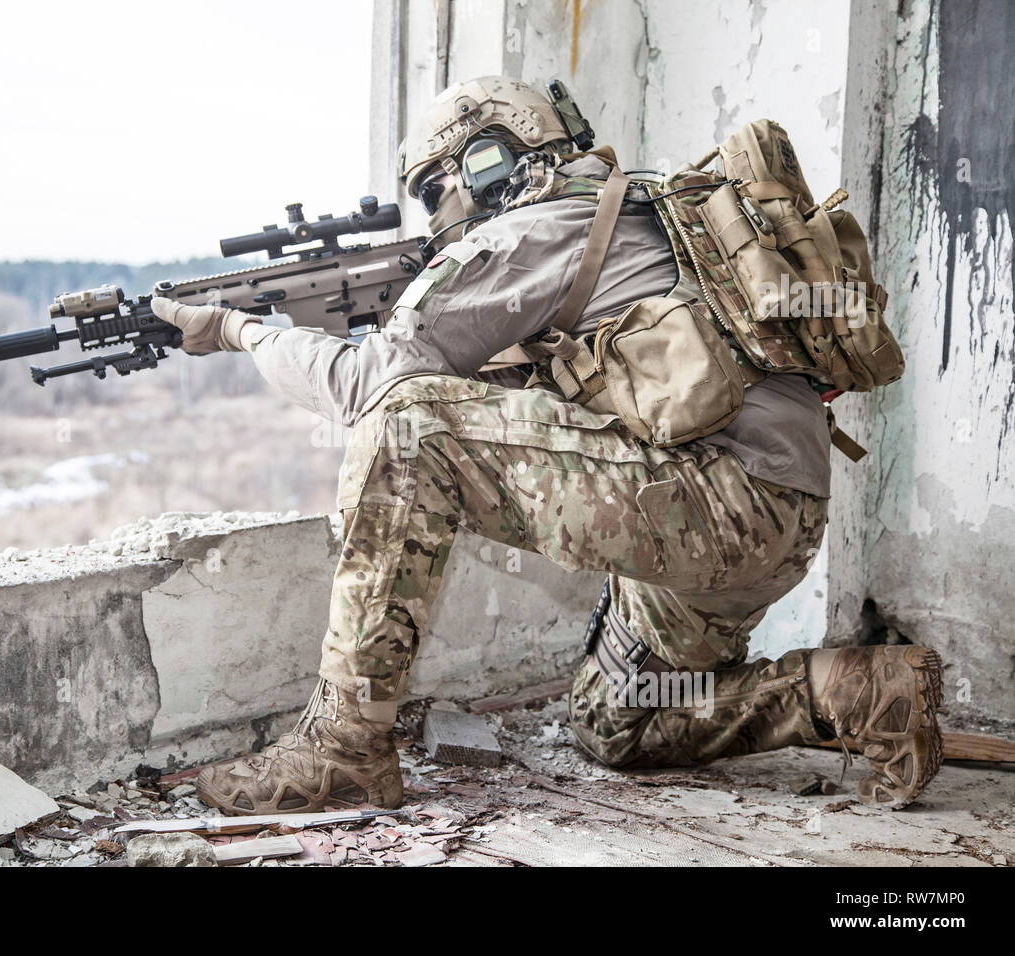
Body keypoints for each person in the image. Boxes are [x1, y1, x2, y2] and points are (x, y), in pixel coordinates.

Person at [149, 76, 943, 815]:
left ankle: (342, 748)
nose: (435, 216)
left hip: (718, 506)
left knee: (408, 427)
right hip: (775, 521)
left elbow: (367, 386)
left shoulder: (533, 230)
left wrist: (239, 331)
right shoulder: (642, 209)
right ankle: (850, 690)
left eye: (434, 190)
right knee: (621, 717)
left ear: (486, 158)